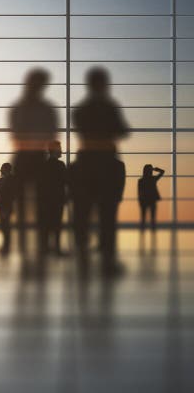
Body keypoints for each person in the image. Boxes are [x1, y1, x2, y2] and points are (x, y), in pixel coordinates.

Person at [69, 67, 129, 276]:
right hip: (106, 162)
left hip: (85, 162)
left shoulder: (80, 109)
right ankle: (107, 256)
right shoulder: (110, 108)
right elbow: (123, 131)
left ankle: (81, 253)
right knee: (107, 212)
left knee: (83, 210)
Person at [9, 68, 59, 253]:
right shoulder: (46, 110)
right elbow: (51, 133)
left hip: (25, 157)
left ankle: (29, 244)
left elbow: (17, 132)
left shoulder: (19, 108)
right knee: (38, 203)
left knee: (29, 204)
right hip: (35, 158)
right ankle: (38, 244)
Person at [38, 141, 67, 255]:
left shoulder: (43, 165)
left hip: (45, 199)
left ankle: (45, 248)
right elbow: (65, 181)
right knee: (57, 224)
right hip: (58, 199)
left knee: (46, 224)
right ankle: (57, 248)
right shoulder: (60, 165)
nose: (62, 151)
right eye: (60, 149)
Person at [138, 165, 164, 234]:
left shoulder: (141, 180)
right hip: (152, 200)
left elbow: (139, 193)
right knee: (152, 218)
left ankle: (142, 231)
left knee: (143, 218)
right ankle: (153, 231)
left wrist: (140, 201)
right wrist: (156, 169)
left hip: (144, 200)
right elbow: (162, 172)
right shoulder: (153, 179)